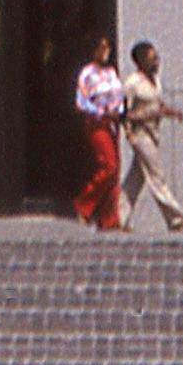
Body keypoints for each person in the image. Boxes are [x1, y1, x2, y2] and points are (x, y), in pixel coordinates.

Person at [120, 38, 183, 233]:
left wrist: (172, 112)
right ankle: (176, 218)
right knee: (156, 176)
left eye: (157, 57)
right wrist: (129, 135)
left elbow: (158, 105)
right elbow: (125, 113)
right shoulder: (132, 84)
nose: (156, 62)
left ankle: (119, 217)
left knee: (135, 179)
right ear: (140, 60)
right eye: (152, 58)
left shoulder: (156, 81)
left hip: (154, 133)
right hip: (140, 135)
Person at [71, 38, 128, 231]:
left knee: (115, 170)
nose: (105, 51)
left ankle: (109, 219)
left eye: (108, 47)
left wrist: (118, 112)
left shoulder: (111, 72)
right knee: (108, 165)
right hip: (96, 123)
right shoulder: (87, 73)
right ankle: (83, 203)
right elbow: (82, 102)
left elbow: (118, 96)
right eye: (101, 47)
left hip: (111, 123)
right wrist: (102, 112)